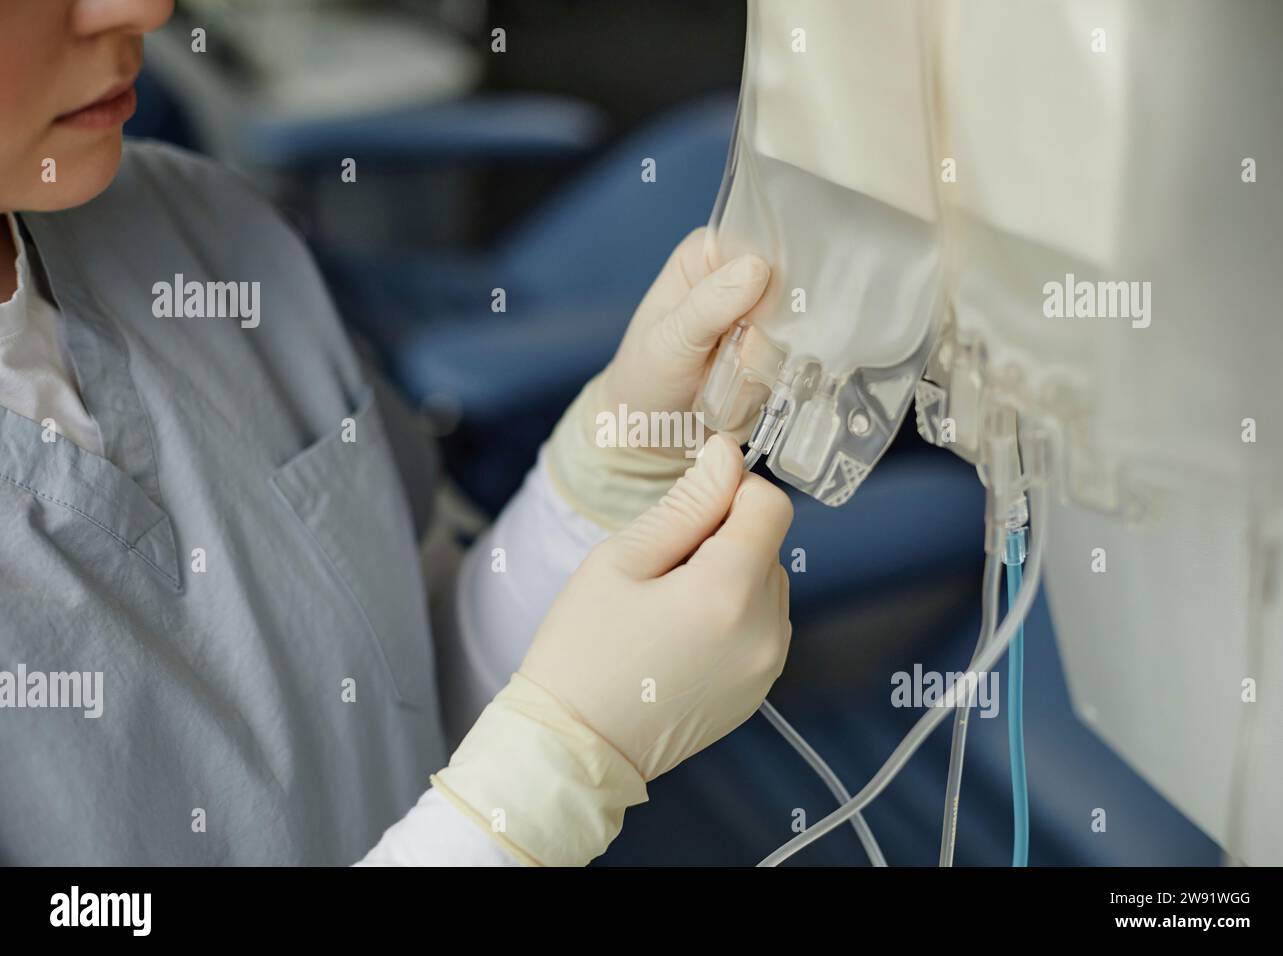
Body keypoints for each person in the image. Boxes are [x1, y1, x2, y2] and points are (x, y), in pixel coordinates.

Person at [0, 0, 793, 866]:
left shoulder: (210, 241)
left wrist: (600, 488)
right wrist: (541, 785)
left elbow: (407, 700)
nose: (144, 6)